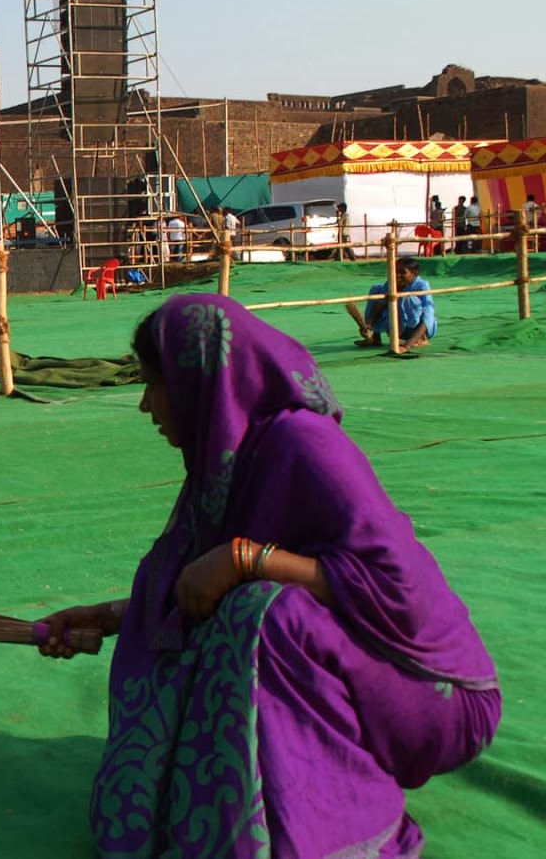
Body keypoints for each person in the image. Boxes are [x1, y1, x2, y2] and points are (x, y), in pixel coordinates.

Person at [39, 294, 498, 857]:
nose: (144, 405)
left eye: (154, 384)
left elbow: (396, 587)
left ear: (200, 381)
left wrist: (244, 559)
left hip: (435, 693)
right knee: (236, 611)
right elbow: (195, 592)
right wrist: (112, 617)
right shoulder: (229, 463)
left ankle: (325, 830)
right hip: (360, 667)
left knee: (261, 615)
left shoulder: (304, 444)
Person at [358, 256, 436, 351]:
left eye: (403, 272)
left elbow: (428, 316)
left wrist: (407, 345)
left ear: (414, 274)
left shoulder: (422, 286)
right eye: (396, 272)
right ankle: (375, 338)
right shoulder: (391, 283)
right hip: (398, 327)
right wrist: (369, 323)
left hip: (417, 329)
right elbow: (380, 303)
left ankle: (421, 339)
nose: (397, 275)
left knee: (408, 298)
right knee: (377, 289)